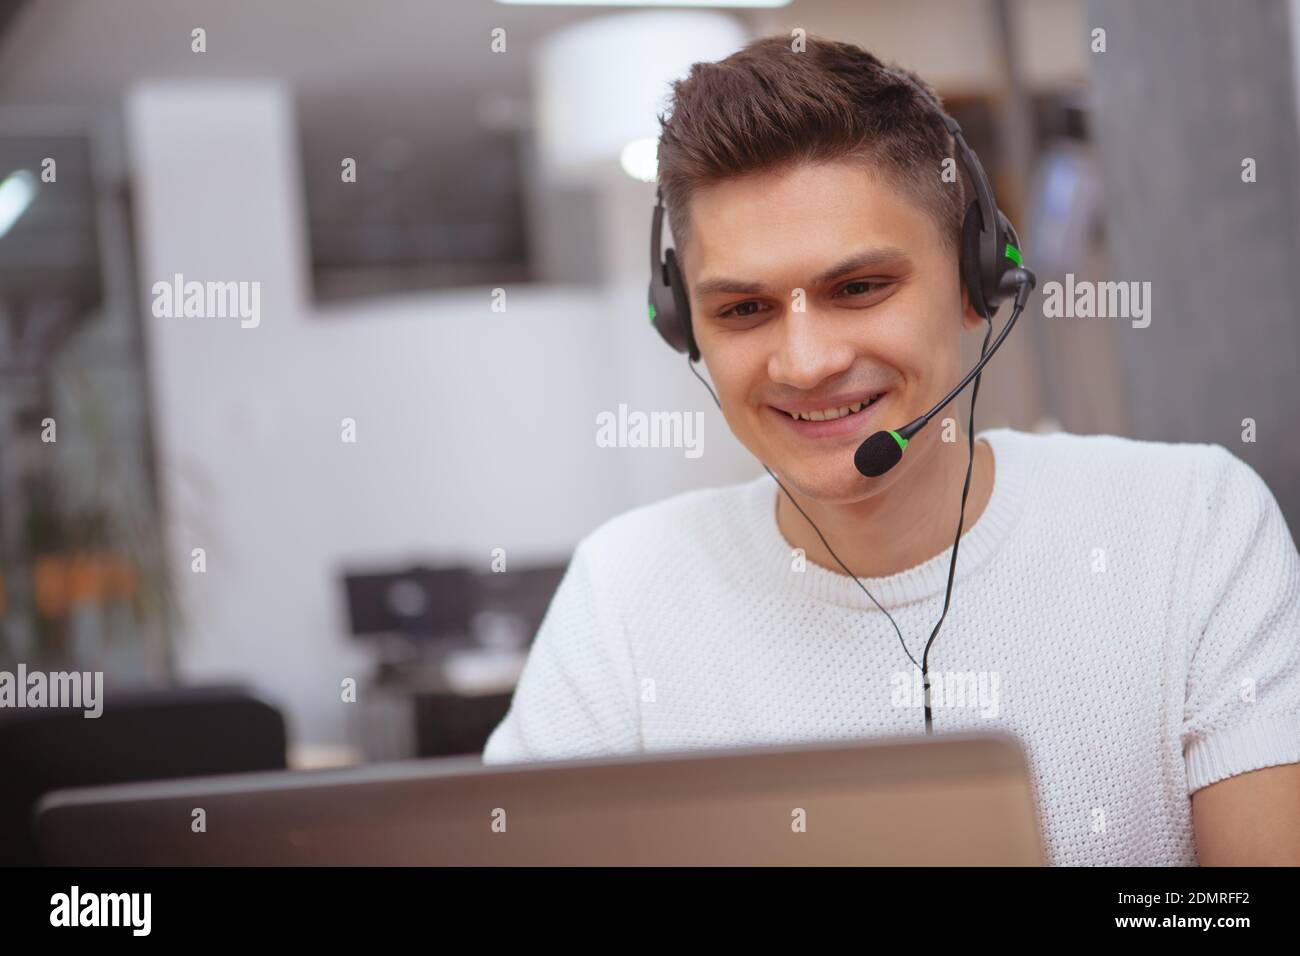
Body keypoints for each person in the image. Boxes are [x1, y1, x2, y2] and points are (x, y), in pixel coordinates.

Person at [483, 35, 1300, 866]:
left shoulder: (1193, 524)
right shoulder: (623, 590)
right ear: (682, 327)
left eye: (859, 289)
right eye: (742, 310)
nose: (805, 363)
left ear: (980, 282)